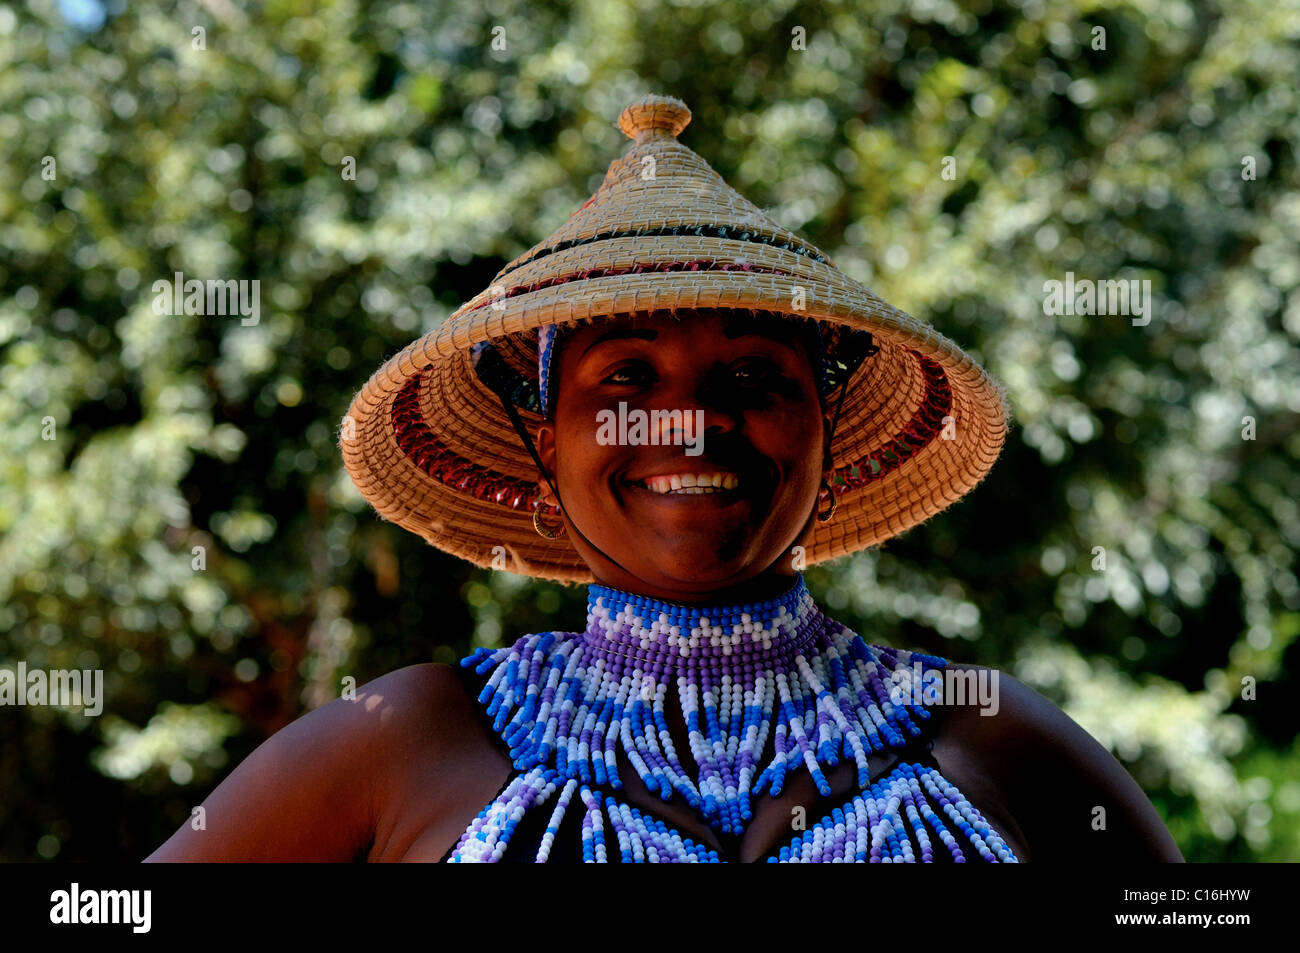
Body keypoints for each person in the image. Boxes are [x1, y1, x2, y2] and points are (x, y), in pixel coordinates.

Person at [146, 95, 1182, 863]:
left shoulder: (987, 733)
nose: (690, 419)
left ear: (823, 433)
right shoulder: (409, 739)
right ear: (545, 445)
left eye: (750, 374)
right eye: (626, 374)